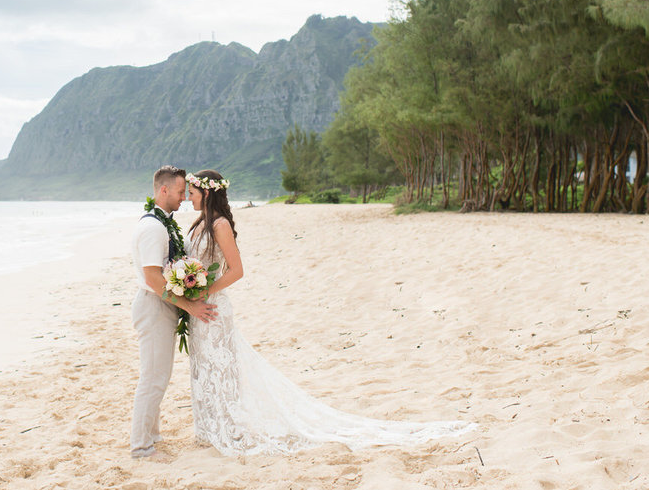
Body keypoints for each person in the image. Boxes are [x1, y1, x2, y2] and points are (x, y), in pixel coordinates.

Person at [184, 168, 477, 455]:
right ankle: (210, 428)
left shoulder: (220, 224)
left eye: (193, 192)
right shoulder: (198, 223)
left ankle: (227, 427)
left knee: (221, 368)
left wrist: (206, 291)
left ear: (207, 192)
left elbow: (237, 271)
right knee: (204, 366)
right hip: (198, 310)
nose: (189, 197)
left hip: (213, 308)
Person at [130, 165, 217, 459]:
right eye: (180, 192)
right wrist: (189, 304)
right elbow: (154, 279)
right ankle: (142, 447)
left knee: (157, 375)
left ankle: (151, 435)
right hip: (154, 305)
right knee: (153, 378)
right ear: (163, 190)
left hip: (159, 304)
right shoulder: (154, 228)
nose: (183, 198)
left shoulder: (161, 223)